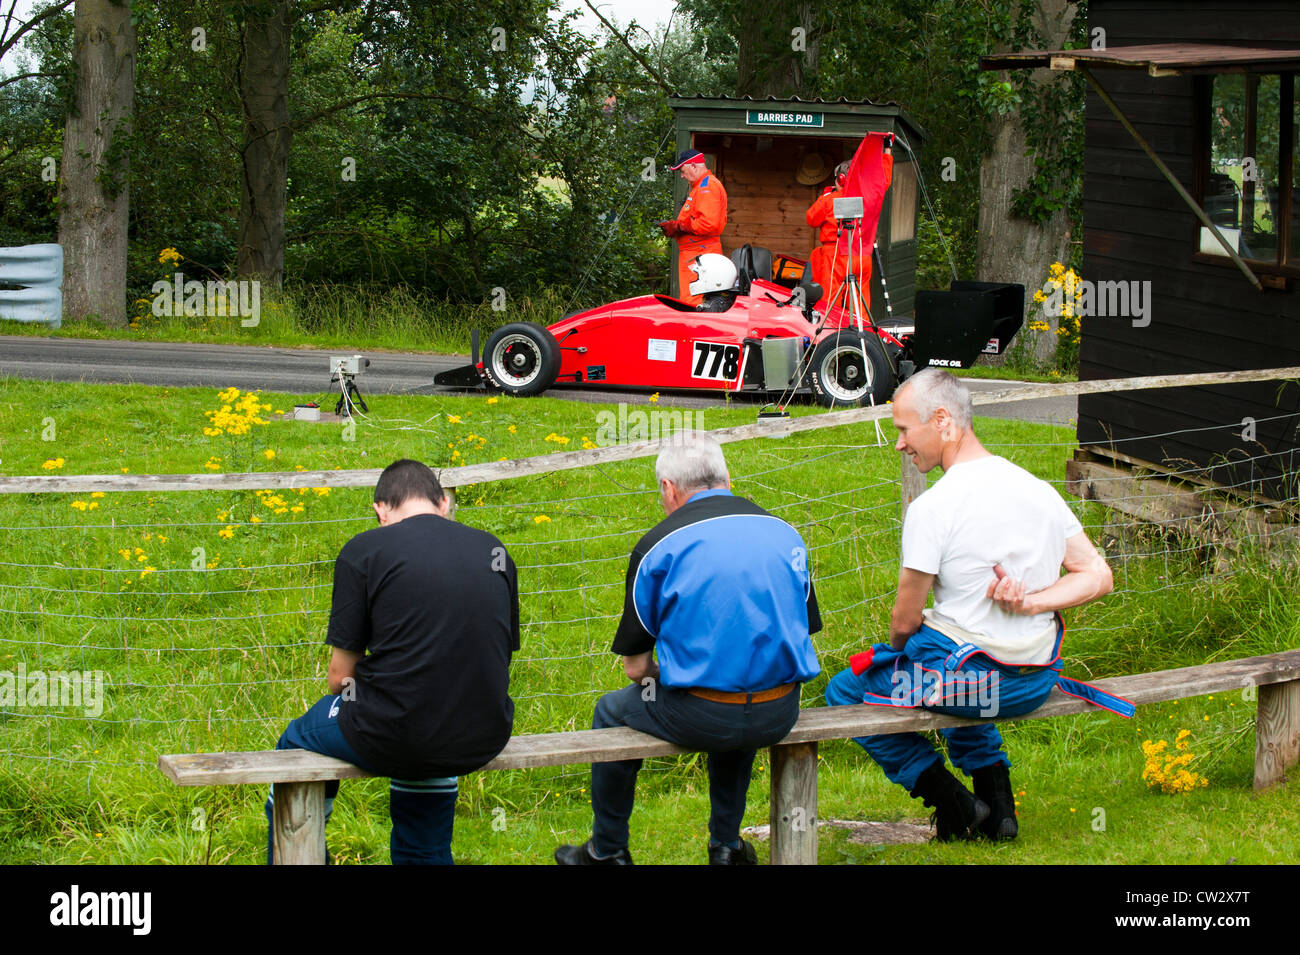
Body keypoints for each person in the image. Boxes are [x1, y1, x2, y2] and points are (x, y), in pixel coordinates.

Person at [824, 369, 1124, 842]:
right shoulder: (1038, 491)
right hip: (1033, 678)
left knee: (848, 692)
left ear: (942, 421)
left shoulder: (934, 507)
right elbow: (1099, 576)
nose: (899, 444)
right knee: (952, 671)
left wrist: (898, 645)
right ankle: (1000, 811)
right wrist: (1034, 604)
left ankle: (956, 805)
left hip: (972, 683)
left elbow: (903, 621)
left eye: (904, 430)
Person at [555, 433, 822, 865]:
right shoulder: (785, 533)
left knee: (610, 710)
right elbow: (805, 629)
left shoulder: (658, 545)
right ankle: (726, 846)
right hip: (779, 709)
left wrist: (670, 677)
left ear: (668, 488)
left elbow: (636, 670)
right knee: (740, 691)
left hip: (701, 713)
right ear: (726, 478)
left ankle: (606, 849)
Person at [265, 459, 519, 864]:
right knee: (424, 838)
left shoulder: (364, 550)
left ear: (380, 508)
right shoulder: (495, 550)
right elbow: (496, 654)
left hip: (399, 727)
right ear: (442, 504)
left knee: (294, 743)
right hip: (481, 729)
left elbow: (339, 678)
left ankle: (307, 840)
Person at [804, 139, 894, 313]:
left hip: (835, 255)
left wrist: (826, 196)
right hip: (862, 255)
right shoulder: (870, 196)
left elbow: (811, 220)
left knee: (829, 306)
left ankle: (829, 337)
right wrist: (887, 149)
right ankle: (862, 338)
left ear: (841, 178)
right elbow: (884, 178)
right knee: (860, 307)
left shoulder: (829, 200)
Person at [659, 149, 728, 307]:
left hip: (700, 255)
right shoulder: (701, 186)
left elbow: (708, 224)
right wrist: (676, 228)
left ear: (694, 166)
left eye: (683, 171)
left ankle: (694, 331)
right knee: (693, 301)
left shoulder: (707, 186)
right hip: (696, 255)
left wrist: (678, 226)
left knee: (695, 303)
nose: (682, 176)